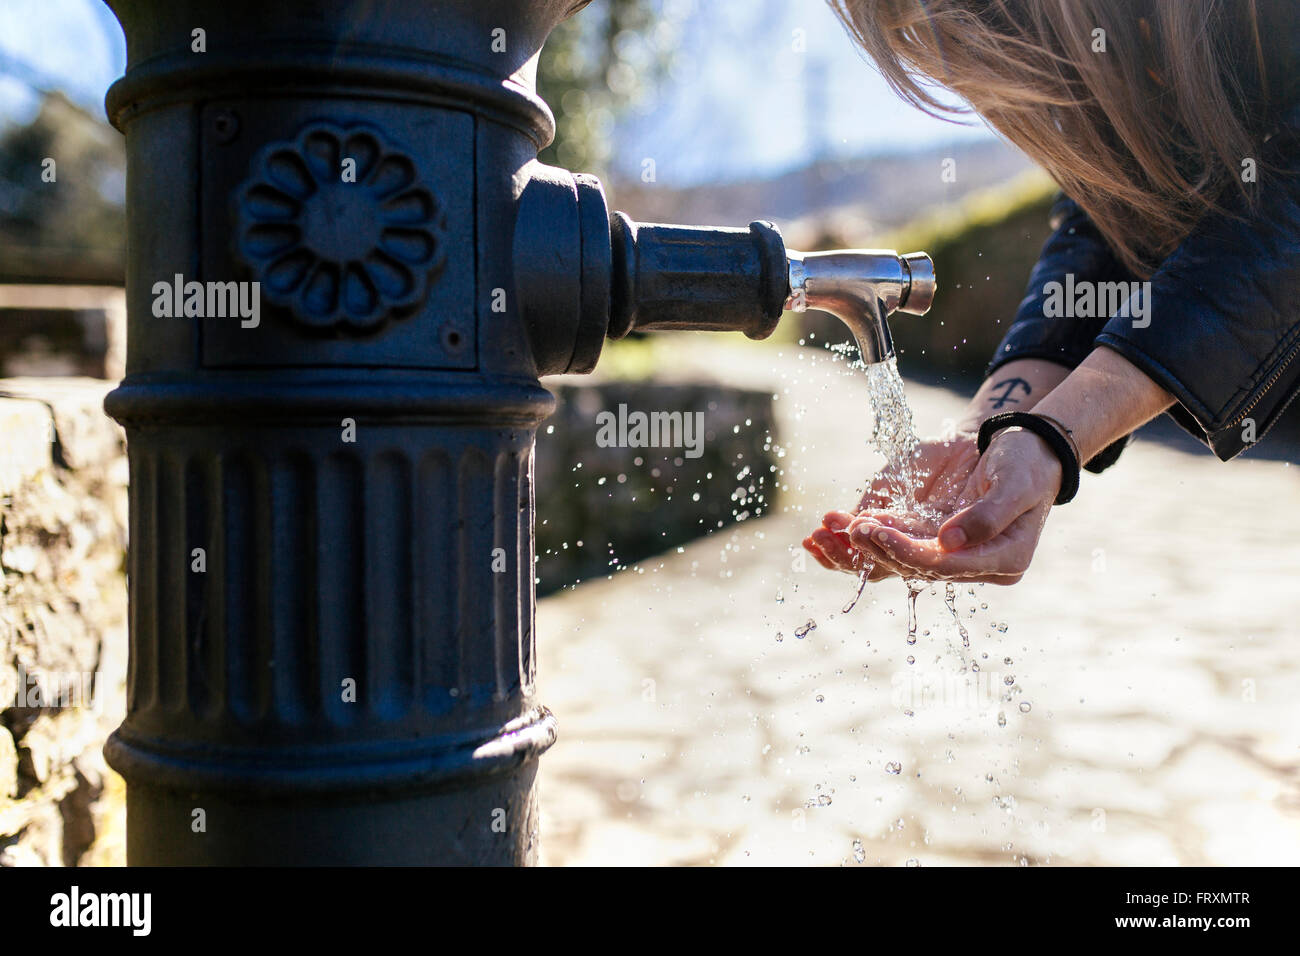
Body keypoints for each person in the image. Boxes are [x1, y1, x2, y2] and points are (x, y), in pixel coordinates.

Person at [803, 0, 1300, 585]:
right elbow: (1109, 223)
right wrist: (989, 430)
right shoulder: (1127, 55)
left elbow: (1281, 209)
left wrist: (1051, 434)